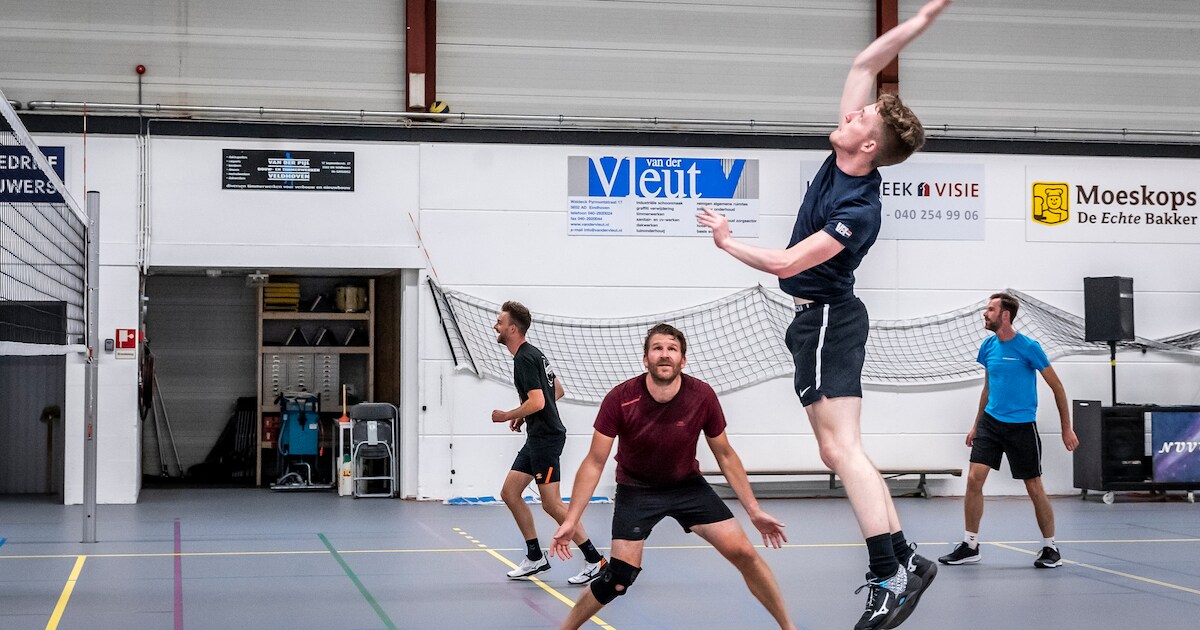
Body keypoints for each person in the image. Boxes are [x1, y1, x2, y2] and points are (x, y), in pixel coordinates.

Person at [696, 2, 953, 627]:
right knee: (846, 450)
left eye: (862, 115)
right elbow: (867, 60)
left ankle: (887, 573)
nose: (851, 111)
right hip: (823, 321)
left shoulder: (860, 207)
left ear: (869, 145)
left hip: (828, 317)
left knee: (841, 452)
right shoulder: (847, 151)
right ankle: (906, 557)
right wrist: (922, 20)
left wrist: (728, 241)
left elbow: (787, 265)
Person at [550, 324, 795, 630]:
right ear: (645, 359)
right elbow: (594, 462)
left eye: (671, 349)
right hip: (636, 489)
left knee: (744, 552)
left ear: (683, 359)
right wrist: (572, 519)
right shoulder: (620, 398)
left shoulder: (702, 396)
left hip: (686, 486)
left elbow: (726, 455)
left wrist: (754, 511)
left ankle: (789, 628)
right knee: (619, 578)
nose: (664, 354)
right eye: (657, 348)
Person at [938, 292, 1079, 569]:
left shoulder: (1029, 347)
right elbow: (988, 388)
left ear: (1005, 315)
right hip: (991, 423)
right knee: (973, 480)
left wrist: (1066, 428)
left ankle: (1050, 548)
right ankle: (970, 544)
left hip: (1021, 426)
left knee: (1034, 486)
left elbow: (1058, 387)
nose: (985, 314)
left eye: (990, 309)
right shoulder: (988, 347)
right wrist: (976, 426)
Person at [491, 301, 607, 584]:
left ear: (513, 328)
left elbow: (539, 399)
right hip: (538, 436)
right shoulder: (534, 355)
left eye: (500, 322)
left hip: (546, 439)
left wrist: (509, 414)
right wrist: (526, 415)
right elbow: (557, 391)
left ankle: (596, 560)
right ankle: (534, 557)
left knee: (552, 505)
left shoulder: (523, 359)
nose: (496, 326)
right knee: (510, 492)